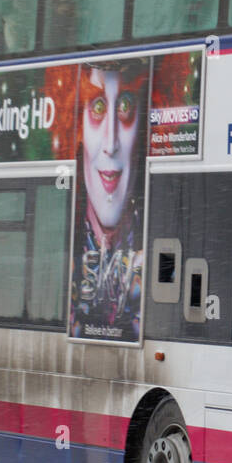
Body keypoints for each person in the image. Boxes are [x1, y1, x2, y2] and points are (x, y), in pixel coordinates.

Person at [69, 62, 147, 341]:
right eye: (98, 108)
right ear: (76, 127)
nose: (111, 143)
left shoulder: (150, 240)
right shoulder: (64, 242)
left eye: (126, 105)